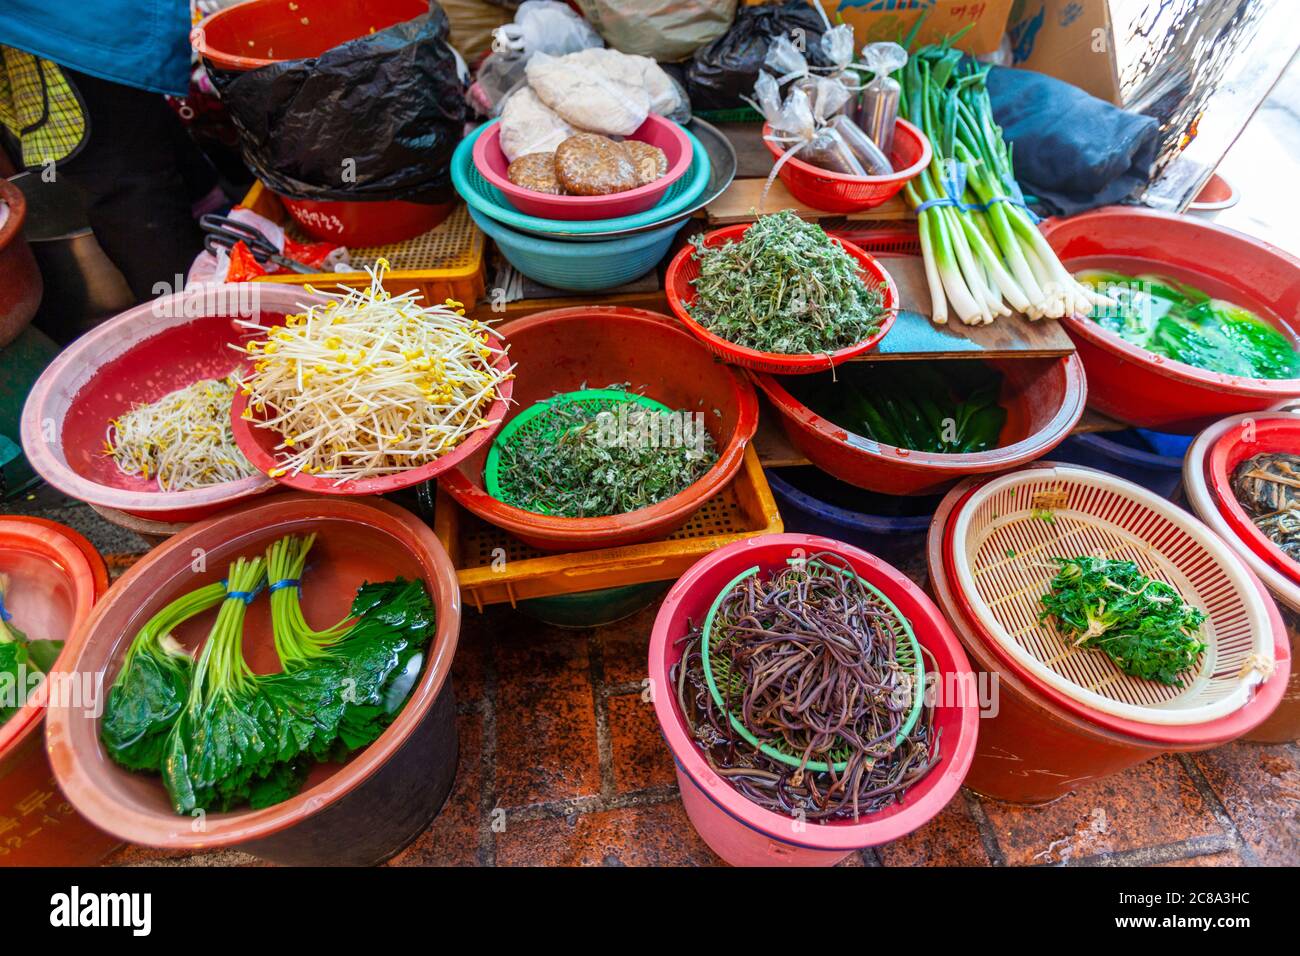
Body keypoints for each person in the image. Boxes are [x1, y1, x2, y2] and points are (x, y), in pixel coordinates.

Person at [0, 1, 218, 306]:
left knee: (120, 183)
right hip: (104, 22)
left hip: (64, 29)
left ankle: (193, 319)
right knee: (140, 129)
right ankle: (226, 232)